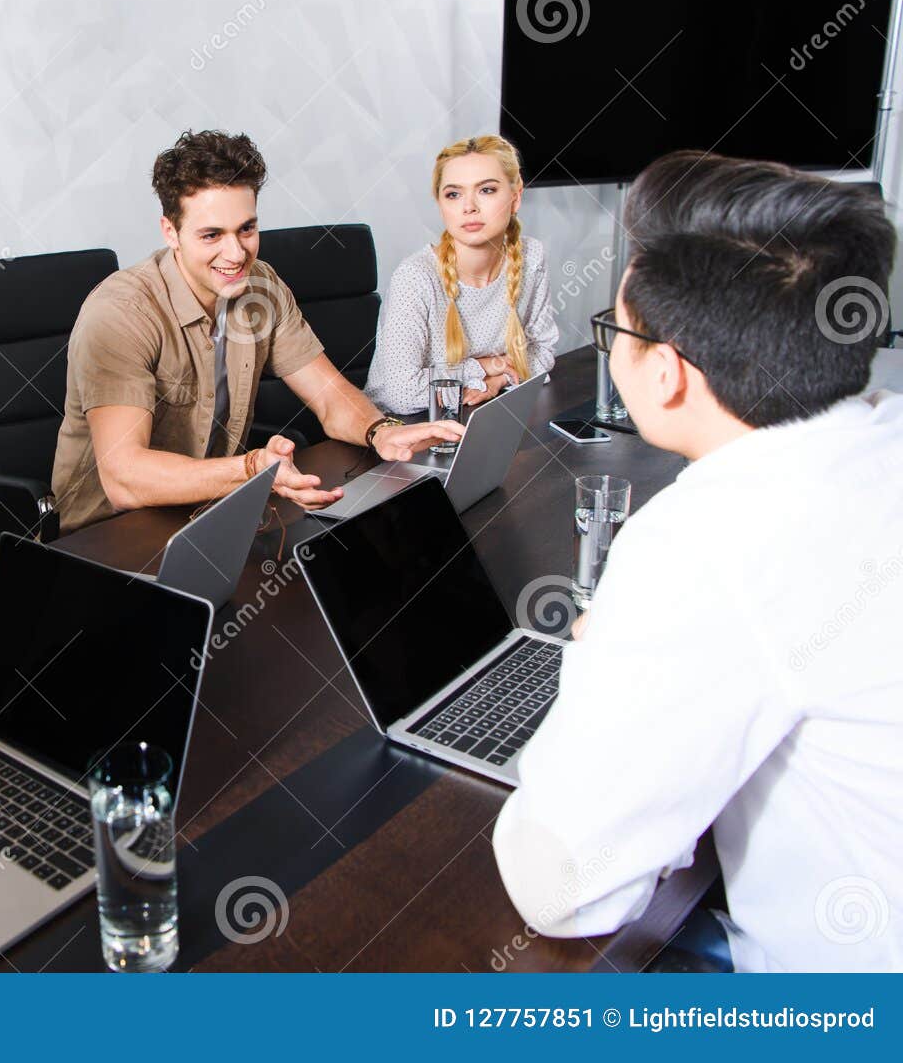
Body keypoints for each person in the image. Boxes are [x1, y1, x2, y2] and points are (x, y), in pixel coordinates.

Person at [492, 152, 903, 971]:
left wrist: (603, 649)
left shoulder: (708, 541)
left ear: (667, 373)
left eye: (614, 332)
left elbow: (562, 887)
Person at [51, 130, 463, 533]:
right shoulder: (122, 312)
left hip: (207, 513)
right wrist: (251, 469)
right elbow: (124, 479)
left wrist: (382, 432)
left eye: (246, 229)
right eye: (212, 235)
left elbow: (330, 397)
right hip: (105, 537)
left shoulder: (260, 287)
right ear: (170, 232)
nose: (236, 254)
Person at [364, 135, 558, 414]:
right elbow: (402, 394)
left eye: (486, 190)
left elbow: (542, 351)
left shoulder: (531, 257)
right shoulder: (415, 277)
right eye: (453, 194)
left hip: (476, 413)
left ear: (515, 198)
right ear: (441, 204)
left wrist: (499, 380)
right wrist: (482, 367)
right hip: (404, 425)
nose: (469, 207)